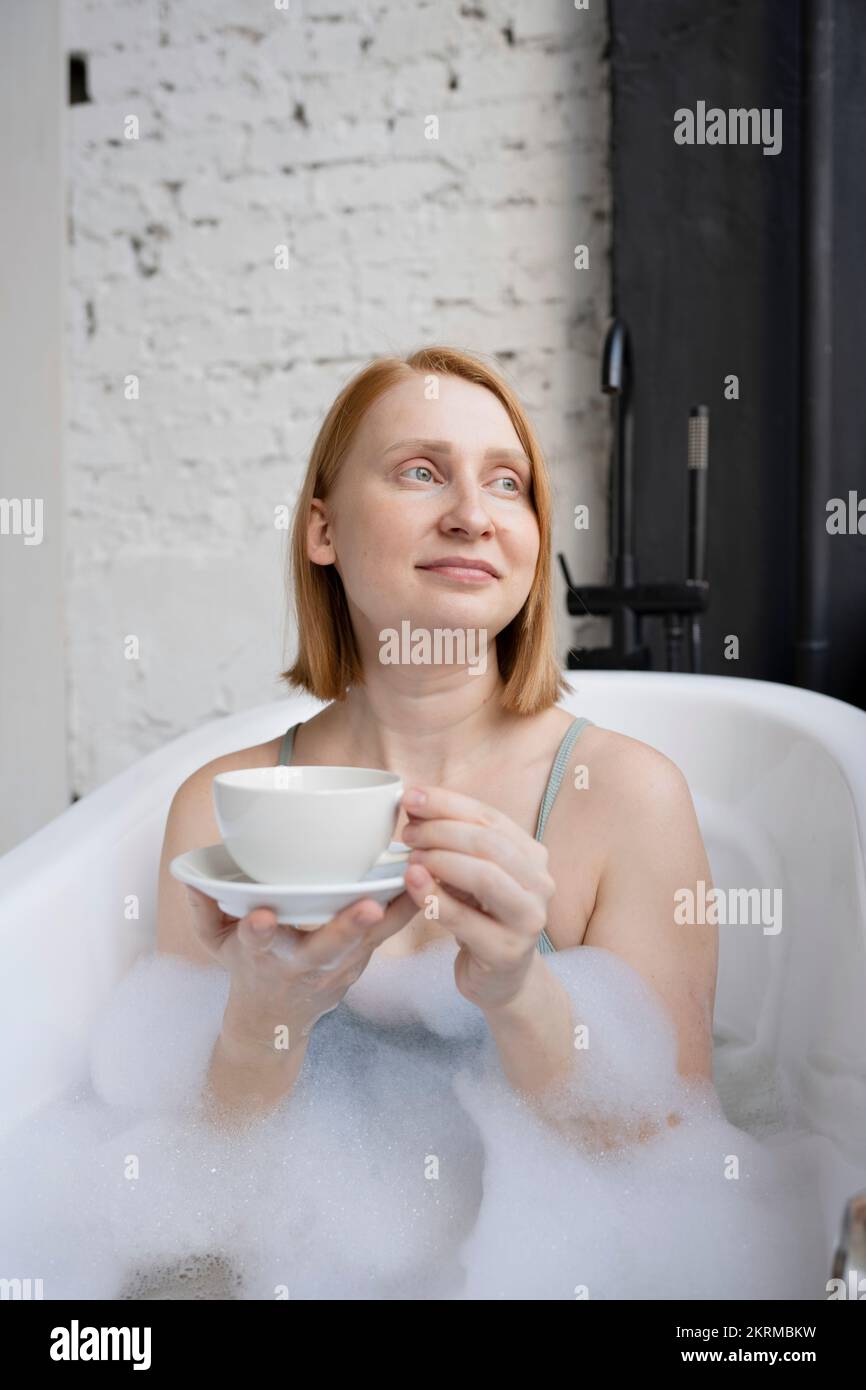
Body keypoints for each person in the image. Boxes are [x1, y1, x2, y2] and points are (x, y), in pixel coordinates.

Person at [155, 345, 718, 1133]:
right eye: (421, 471)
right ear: (323, 529)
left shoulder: (628, 798)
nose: (472, 515)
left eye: (506, 483)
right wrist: (261, 1022)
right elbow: (185, 1197)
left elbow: (673, 1161)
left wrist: (520, 991)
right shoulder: (221, 814)